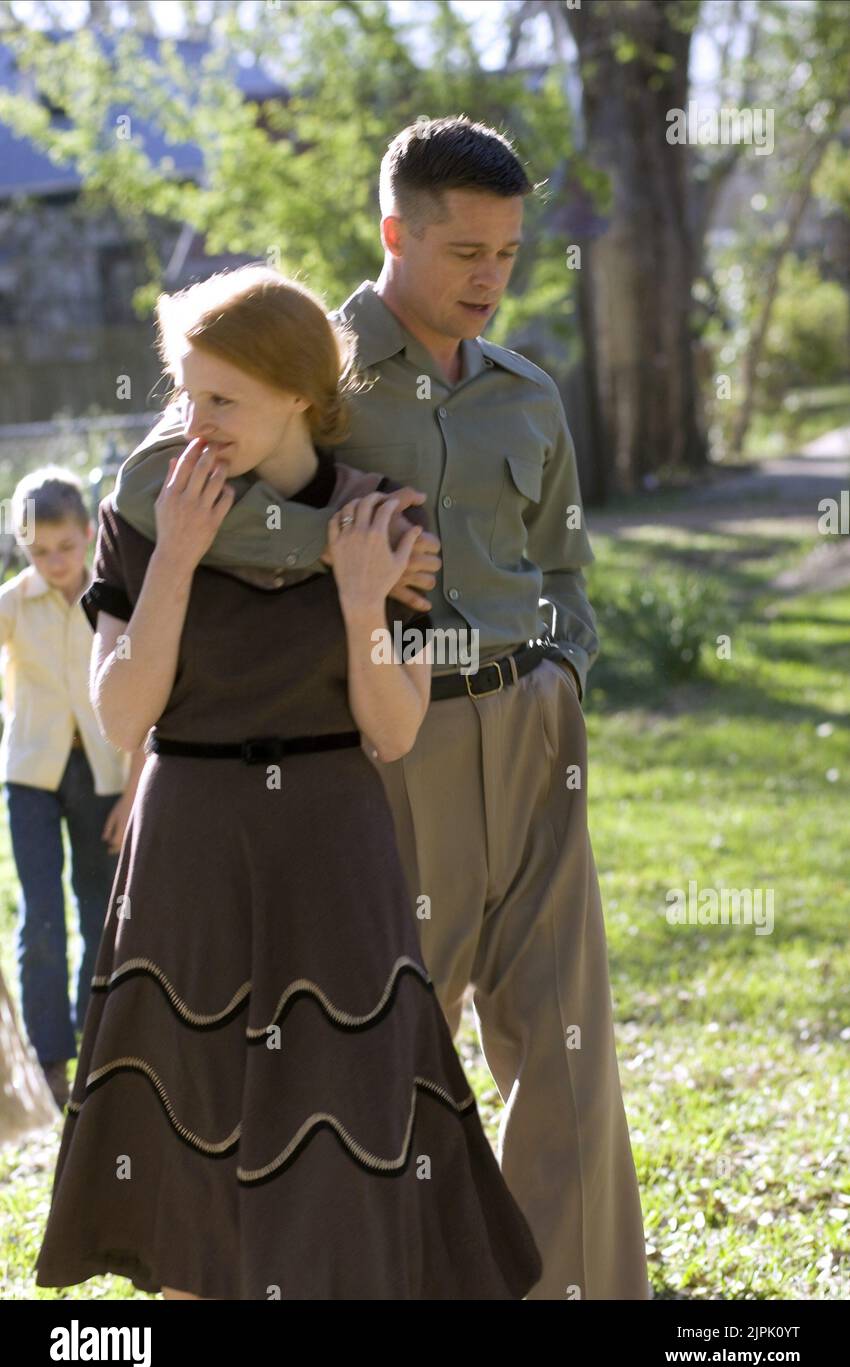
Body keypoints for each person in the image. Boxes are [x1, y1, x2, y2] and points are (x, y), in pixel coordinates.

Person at [109, 115, 650, 1300]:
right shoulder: (312, 356)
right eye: (463, 252)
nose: (489, 279)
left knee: (569, 1056)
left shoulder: (525, 393)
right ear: (394, 232)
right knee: (385, 1062)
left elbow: (562, 562)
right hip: (385, 739)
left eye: (507, 254)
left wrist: (565, 670)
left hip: (531, 730)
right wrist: (331, 549)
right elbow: (154, 483)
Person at [33, 265, 543, 1300]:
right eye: (184, 391)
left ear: (300, 397)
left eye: (221, 398)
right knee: (191, 1113)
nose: (193, 420)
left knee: (340, 1111)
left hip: (329, 839)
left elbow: (393, 731)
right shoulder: (145, 509)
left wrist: (362, 603)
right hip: (189, 837)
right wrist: (174, 557)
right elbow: (126, 713)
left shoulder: (375, 519)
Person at [0, 470, 146, 1111]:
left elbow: (146, 697)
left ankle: (99, 1043)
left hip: (104, 779)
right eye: (39, 553)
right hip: (31, 774)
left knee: (97, 908)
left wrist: (134, 790)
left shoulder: (114, 599)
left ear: (89, 534)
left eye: (65, 547)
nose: (55, 563)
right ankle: (50, 1057)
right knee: (40, 916)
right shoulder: (13, 603)